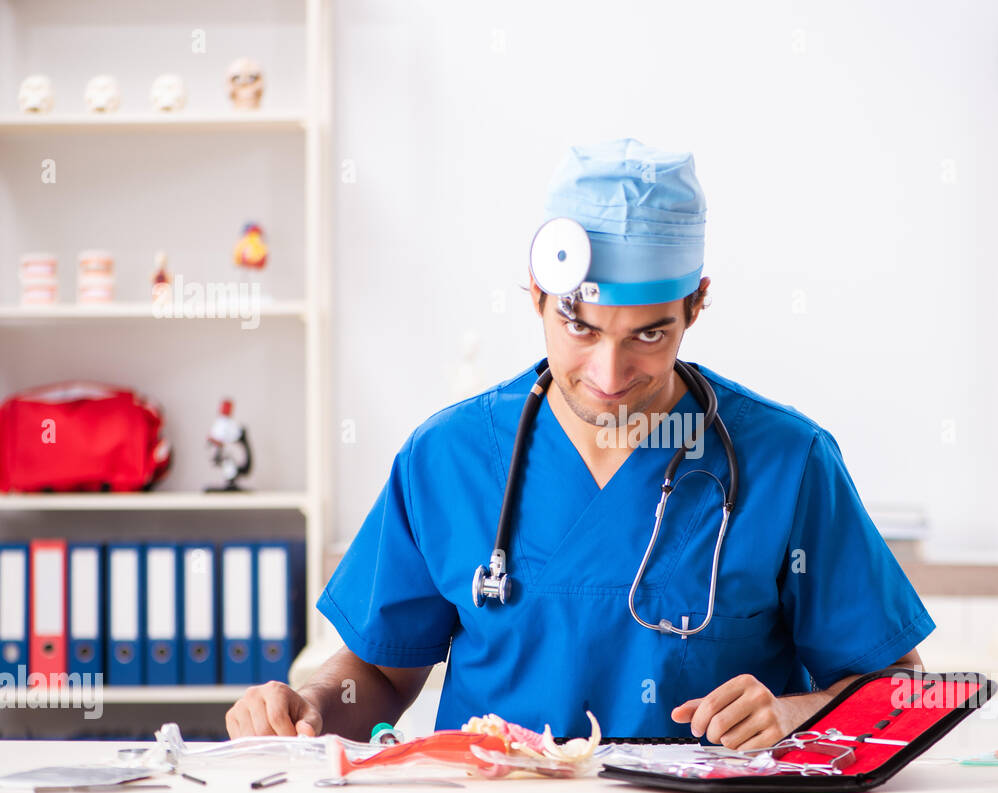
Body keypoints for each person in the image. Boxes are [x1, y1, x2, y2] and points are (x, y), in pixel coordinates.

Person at [227, 138, 933, 749]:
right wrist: (313, 706)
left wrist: (795, 712)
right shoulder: (447, 458)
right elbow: (381, 671)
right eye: (582, 327)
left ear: (697, 304)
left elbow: (900, 688)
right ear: (536, 294)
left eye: (649, 334)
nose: (610, 374)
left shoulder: (787, 462)